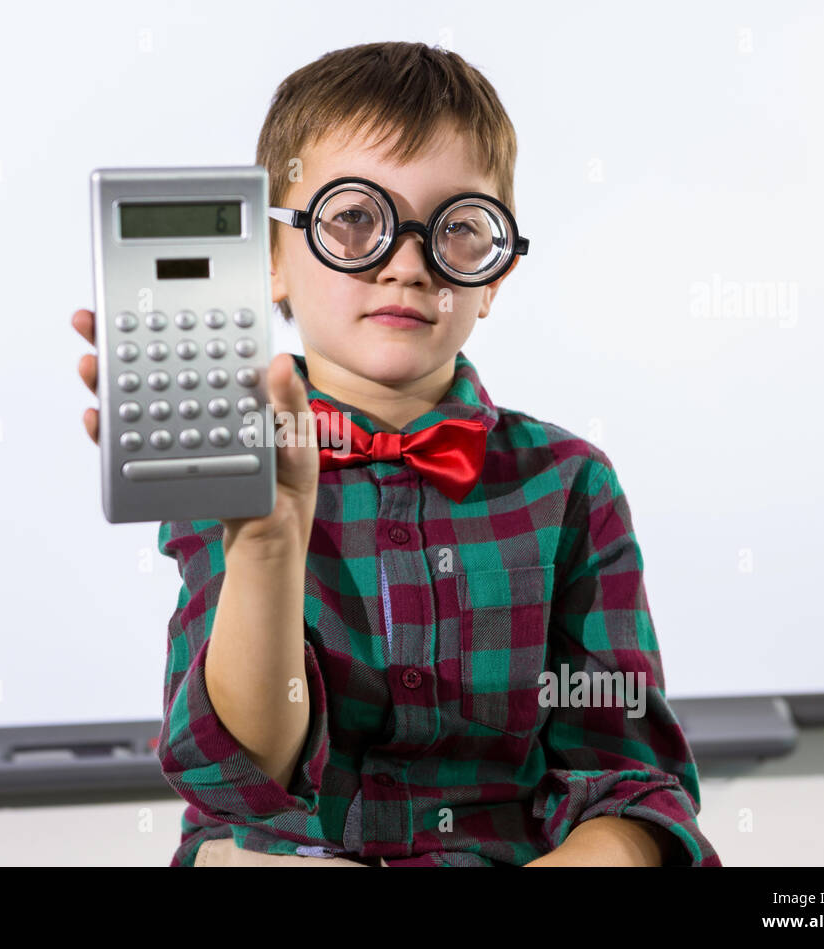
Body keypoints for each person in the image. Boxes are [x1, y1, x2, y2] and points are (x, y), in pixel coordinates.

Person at [72, 41, 721, 868]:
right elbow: (242, 777)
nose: (407, 265)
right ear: (270, 260)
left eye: (457, 232)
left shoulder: (568, 483)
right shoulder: (231, 459)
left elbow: (630, 781)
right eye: (355, 221)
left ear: (493, 278)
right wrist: (268, 548)